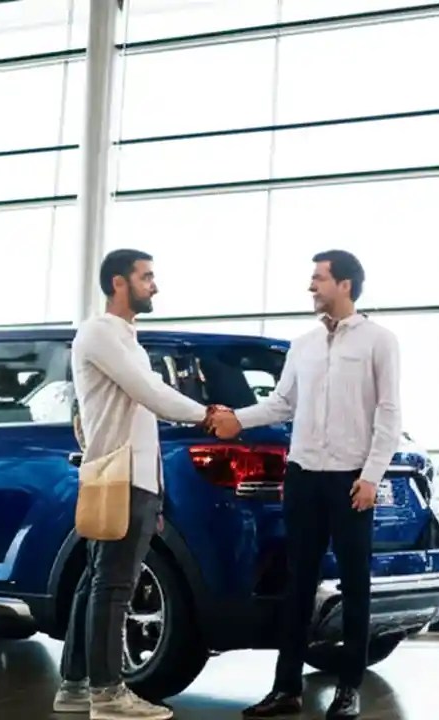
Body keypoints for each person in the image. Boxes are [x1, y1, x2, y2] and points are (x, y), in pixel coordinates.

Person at [208, 250, 401, 720]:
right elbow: (281, 404)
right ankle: (285, 688)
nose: (311, 287)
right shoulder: (304, 345)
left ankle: (348, 688)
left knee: (356, 586)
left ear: (346, 286)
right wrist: (238, 421)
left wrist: (372, 476)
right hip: (303, 477)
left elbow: (389, 415)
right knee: (298, 585)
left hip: (351, 481)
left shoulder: (379, 341)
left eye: (318, 279)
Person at [54, 248, 217, 720]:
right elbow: (152, 396)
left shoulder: (128, 340)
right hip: (120, 476)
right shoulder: (102, 334)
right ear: (118, 283)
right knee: (113, 586)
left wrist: (159, 491)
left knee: (97, 582)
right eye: (146, 277)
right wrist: (206, 415)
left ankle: (74, 685)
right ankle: (107, 694)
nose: (155, 285)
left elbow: (139, 414)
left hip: (132, 476)